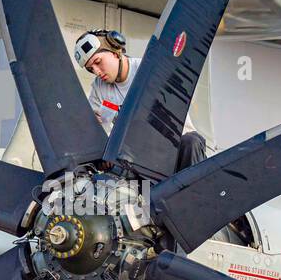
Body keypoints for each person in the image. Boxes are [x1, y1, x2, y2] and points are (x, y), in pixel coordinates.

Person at [73, 29, 208, 172]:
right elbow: (90, 132)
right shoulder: (99, 88)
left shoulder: (149, 72)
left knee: (191, 141)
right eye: (91, 69)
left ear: (114, 50)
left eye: (98, 62)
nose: (97, 72)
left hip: (175, 148)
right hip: (140, 158)